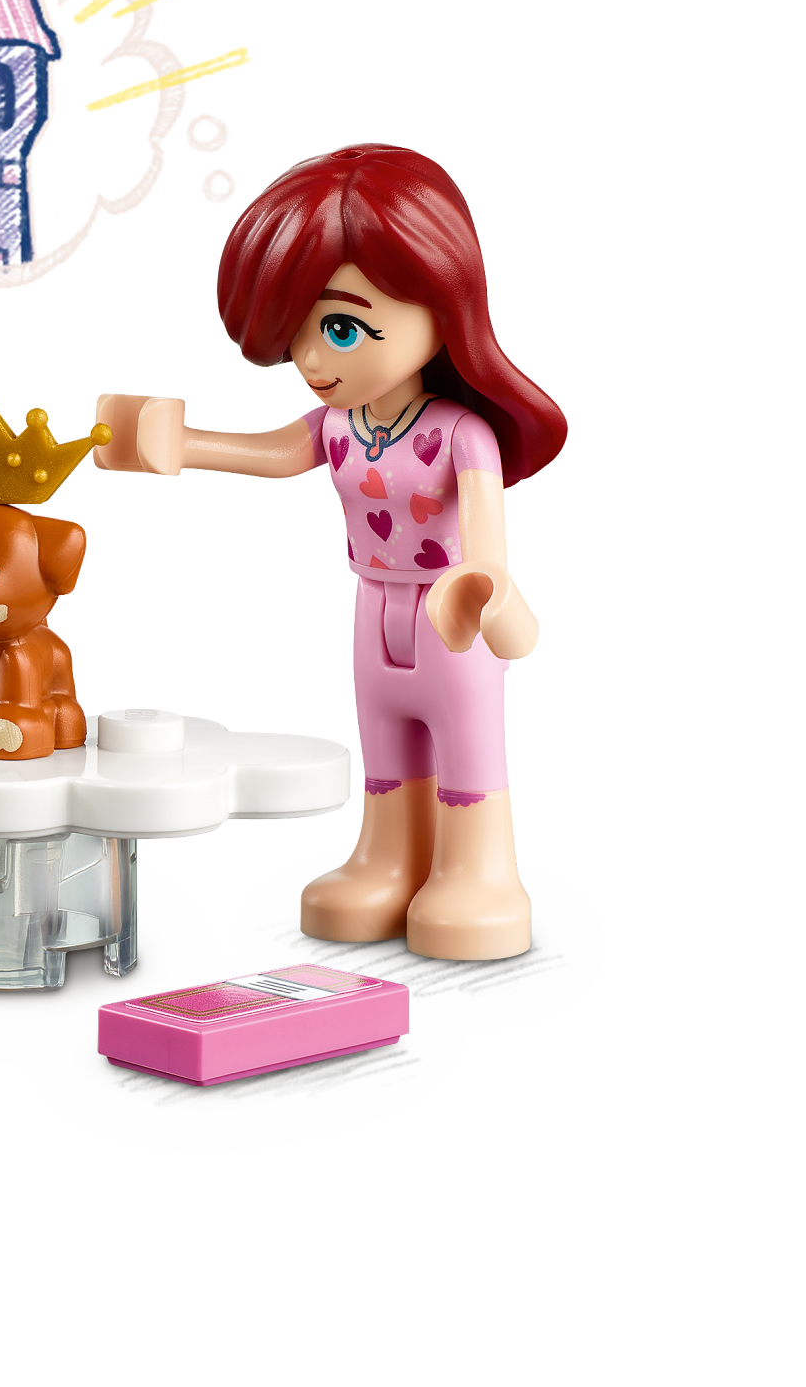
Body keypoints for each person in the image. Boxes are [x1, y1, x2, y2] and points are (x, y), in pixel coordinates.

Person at [96, 145, 565, 959]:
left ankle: (480, 871)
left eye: (342, 328)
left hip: (448, 614)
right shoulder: (339, 425)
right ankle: (389, 858)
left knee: (466, 739)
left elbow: (489, 547)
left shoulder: (463, 434)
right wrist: (177, 444)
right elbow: (271, 453)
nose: (313, 360)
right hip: (371, 603)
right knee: (385, 735)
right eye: (297, 335)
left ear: (441, 299)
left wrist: (486, 589)